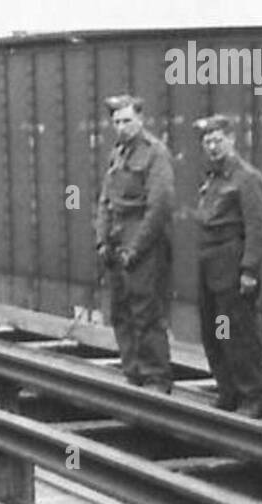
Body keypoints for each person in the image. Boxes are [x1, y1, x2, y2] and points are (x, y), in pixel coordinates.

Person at [193, 115, 262, 417]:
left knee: (239, 333)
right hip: (210, 265)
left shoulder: (246, 178)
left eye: (218, 140)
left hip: (232, 265)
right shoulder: (214, 177)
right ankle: (228, 390)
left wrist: (249, 270)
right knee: (216, 332)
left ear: (231, 140)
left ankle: (254, 396)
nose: (212, 146)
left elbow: (259, 227)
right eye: (207, 141)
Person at [95, 93, 175, 392]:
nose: (121, 126)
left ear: (141, 120)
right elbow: (106, 200)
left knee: (146, 312)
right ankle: (133, 371)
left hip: (142, 244)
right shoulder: (117, 154)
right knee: (121, 311)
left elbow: (160, 206)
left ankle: (155, 376)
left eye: (127, 120)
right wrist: (101, 240)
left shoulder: (155, 153)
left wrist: (136, 248)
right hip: (116, 242)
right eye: (116, 121)